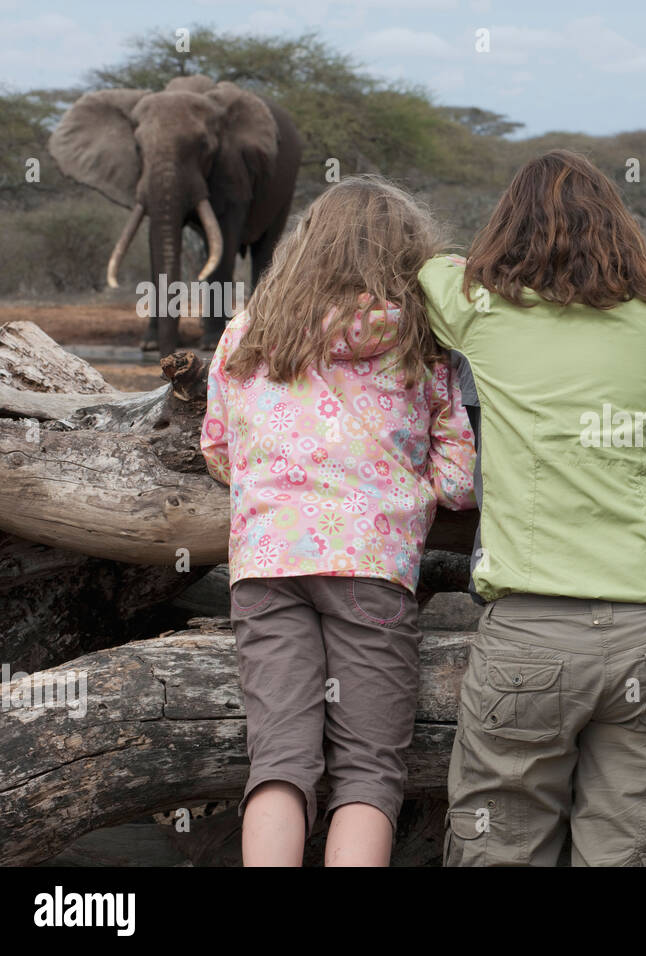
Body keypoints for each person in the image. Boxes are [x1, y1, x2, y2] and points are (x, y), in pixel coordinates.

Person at [421, 149, 646, 867]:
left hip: (531, 633)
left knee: (499, 848)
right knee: (632, 850)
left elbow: (424, 264)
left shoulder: (480, 313)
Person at [200, 176, 477, 866]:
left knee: (280, 762)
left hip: (265, 567)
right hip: (371, 568)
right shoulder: (419, 344)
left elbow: (217, 448)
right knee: (367, 773)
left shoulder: (249, 332)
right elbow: (461, 481)